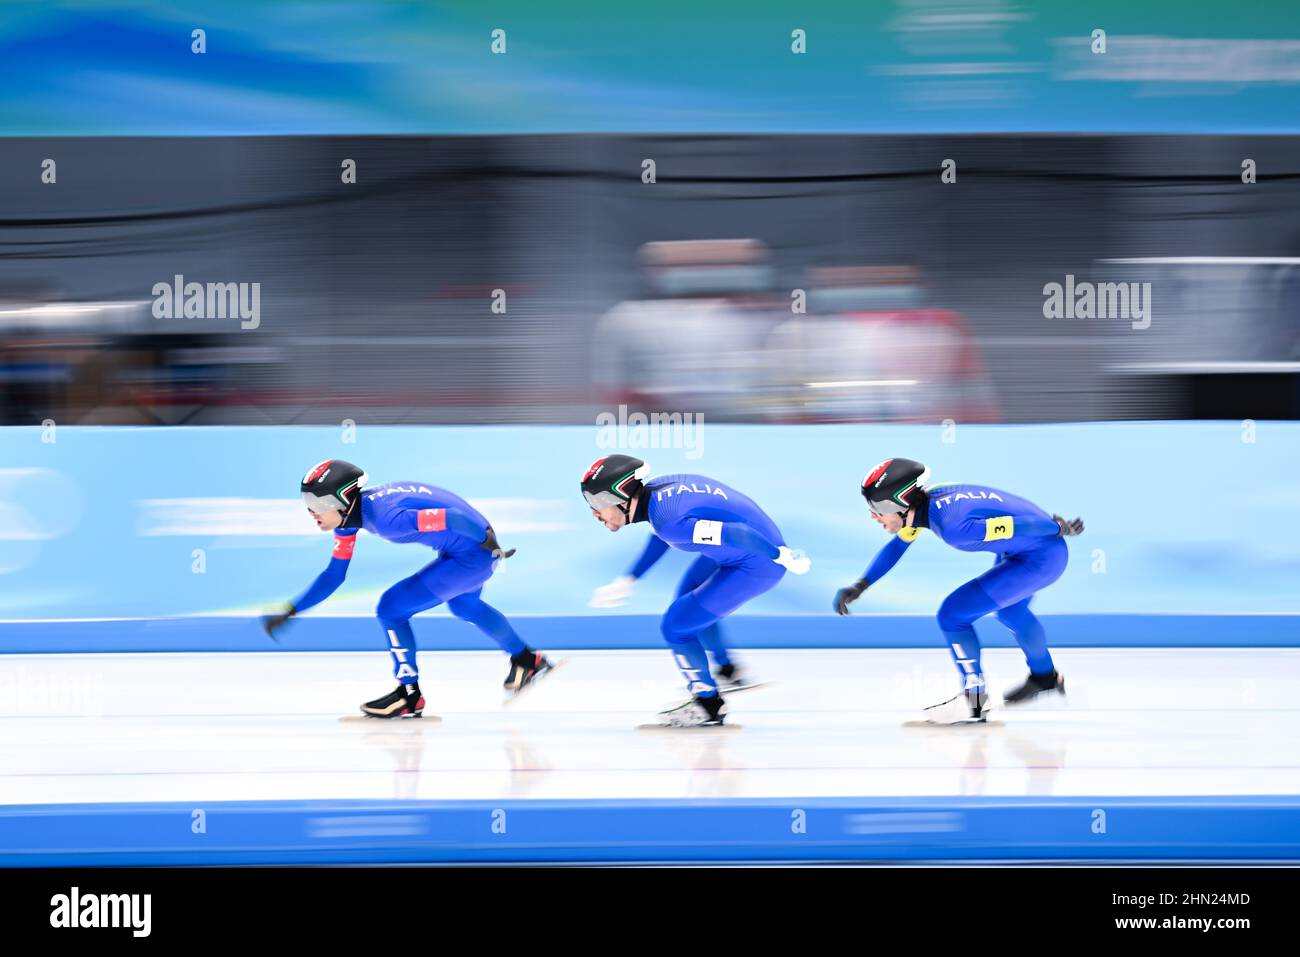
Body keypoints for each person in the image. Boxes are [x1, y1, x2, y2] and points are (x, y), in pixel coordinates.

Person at [263, 459, 555, 718]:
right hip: (469, 550)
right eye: (309, 505)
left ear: (343, 500)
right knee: (464, 605)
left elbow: (453, 517)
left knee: (391, 608)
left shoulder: (387, 520)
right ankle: (528, 660)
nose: (313, 512)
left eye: (320, 505)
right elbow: (334, 575)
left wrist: (489, 544)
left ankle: (408, 696)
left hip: (474, 553)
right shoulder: (352, 518)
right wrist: (293, 609)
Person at [834, 457, 1083, 724]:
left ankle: (974, 702)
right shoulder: (929, 502)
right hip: (1029, 549)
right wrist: (862, 584)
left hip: (1040, 557)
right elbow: (898, 547)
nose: (873, 515)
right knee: (1011, 613)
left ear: (901, 503)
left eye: (878, 506)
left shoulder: (953, 527)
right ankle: (1045, 677)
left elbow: (1013, 525)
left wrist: (1058, 527)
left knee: (952, 615)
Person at [582, 454, 810, 727]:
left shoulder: (668, 520)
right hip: (743, 550)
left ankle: (708, 704)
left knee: (675, 626)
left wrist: (781, 556)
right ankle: (728, 670)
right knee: (687, 602)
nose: (595, 512)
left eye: (599, 502)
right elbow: (661, 536)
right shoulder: (658, 494)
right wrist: (629, 579)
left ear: (624, 495)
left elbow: (735, 532)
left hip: (756, 560)